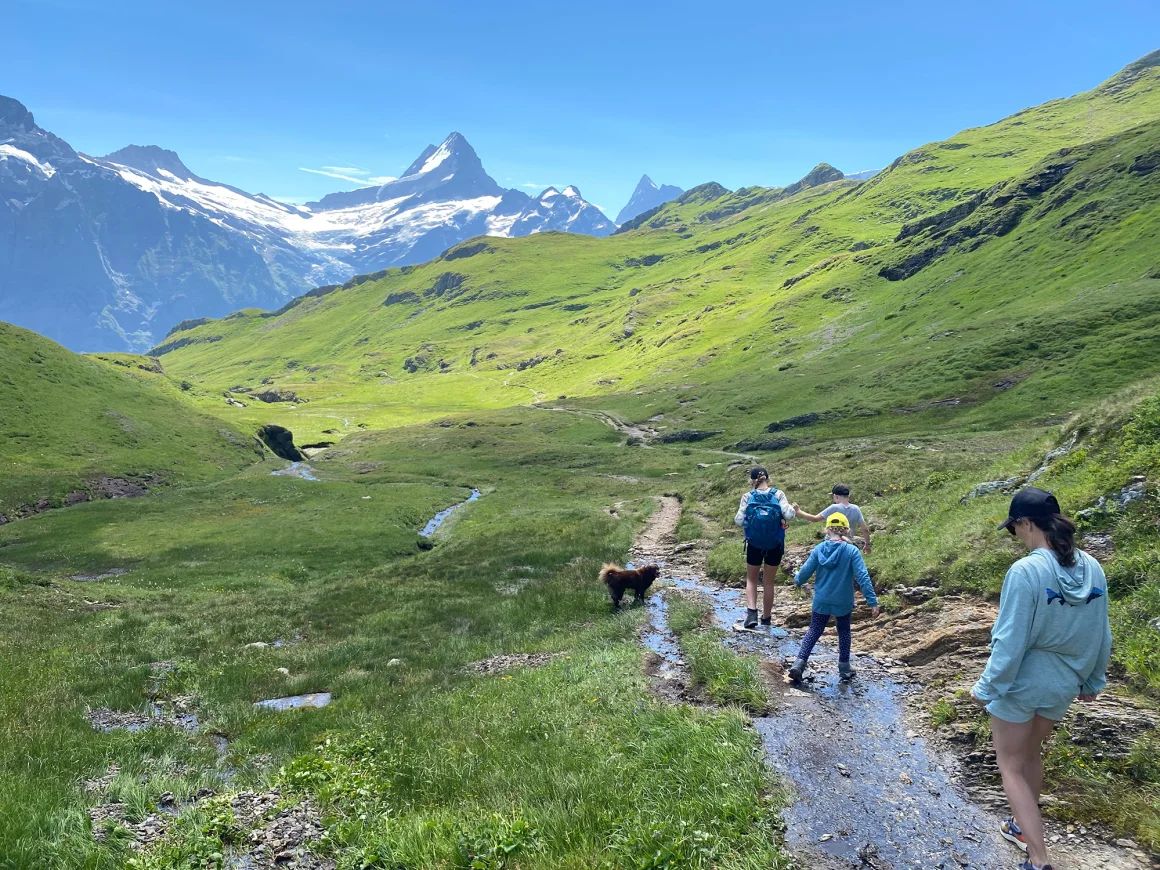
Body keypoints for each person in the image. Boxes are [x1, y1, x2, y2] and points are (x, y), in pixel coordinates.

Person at [970, 487, 1111, 870]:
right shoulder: (1092, 567)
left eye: (1013, 527)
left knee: (1010, 765)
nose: (1014, 535)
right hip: (1064, 683)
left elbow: (1010, 638)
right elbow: (1101, 631)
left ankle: (1039, 858)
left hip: (1021, 684)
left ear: (1026, 523)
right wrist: (1093, 681)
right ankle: (1019, 826)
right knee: (1030, 754)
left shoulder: (1027, 570)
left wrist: (986, 689)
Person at [789, 513, 879, 682]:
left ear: (826, 529)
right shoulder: (852, 551)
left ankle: (799, 664)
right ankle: (844, 668)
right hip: (843, 601)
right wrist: (872, 601)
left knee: (814, 630)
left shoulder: (819, 549)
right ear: (847, 530)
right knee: (844, 631)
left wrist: (797, 580)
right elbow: (863, 577)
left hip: (821, 600)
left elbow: (804, 573)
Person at [734, 466, 795, 629]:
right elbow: (789, 515)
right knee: (769, 582)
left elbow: (739, 520)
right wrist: (792, 509)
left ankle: (752, 613)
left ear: (752, 481)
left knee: (751, 579)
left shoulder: (747, 496)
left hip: (754, 543)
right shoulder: (778, 494)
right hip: (775, 544)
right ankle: (766, 618)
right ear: (767, 479)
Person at [793, 484, 872, 553]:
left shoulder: (834, 508)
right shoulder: (856, 508)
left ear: (836, 496)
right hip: (848, 544)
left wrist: (799, 511)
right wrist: (867, 544)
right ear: (848, 496)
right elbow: (865, 529)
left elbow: (814, 519)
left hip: (831, 542)